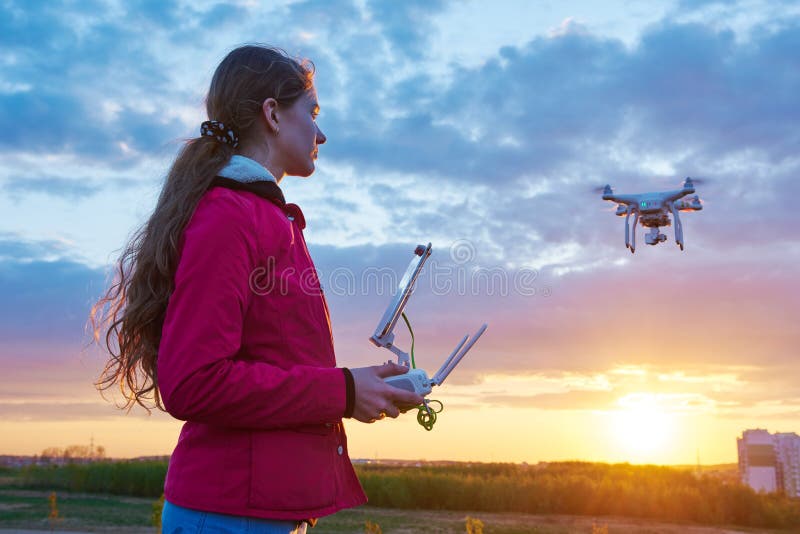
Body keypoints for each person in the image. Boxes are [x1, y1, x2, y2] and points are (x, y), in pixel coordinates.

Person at [91, 44, 424, 534]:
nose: (322, 133)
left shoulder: (265, 216)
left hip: (260, 511)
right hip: (231, 515)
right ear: (271, 113)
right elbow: (194, 381)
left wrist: (360, 389)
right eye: (311, 112)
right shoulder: (229, 217)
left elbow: (276, 365)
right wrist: (343, 390)